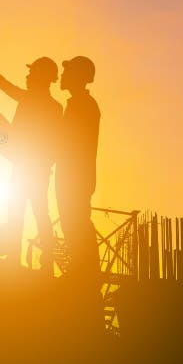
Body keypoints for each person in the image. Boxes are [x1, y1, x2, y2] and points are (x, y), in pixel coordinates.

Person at [0, 45, 62, 273]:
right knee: (32, 212)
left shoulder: (35, 101)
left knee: (24, 212)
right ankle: (32, 259)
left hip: (29, 168)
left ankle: (19, 258)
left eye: (32, 73)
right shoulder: (53, 107)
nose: (27, 76)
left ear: (41, 77)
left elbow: (1, 82)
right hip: (30, 167)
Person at [56, 56, 100, 278]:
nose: (62, 75)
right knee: (72, 223)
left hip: (75, 177)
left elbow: (72, 142)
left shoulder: (84, 105)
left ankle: (86, 274)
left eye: (68, 71)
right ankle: (82, 272)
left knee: (76, 222)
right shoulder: (78, 104)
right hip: (71, 175)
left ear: (78, 76)